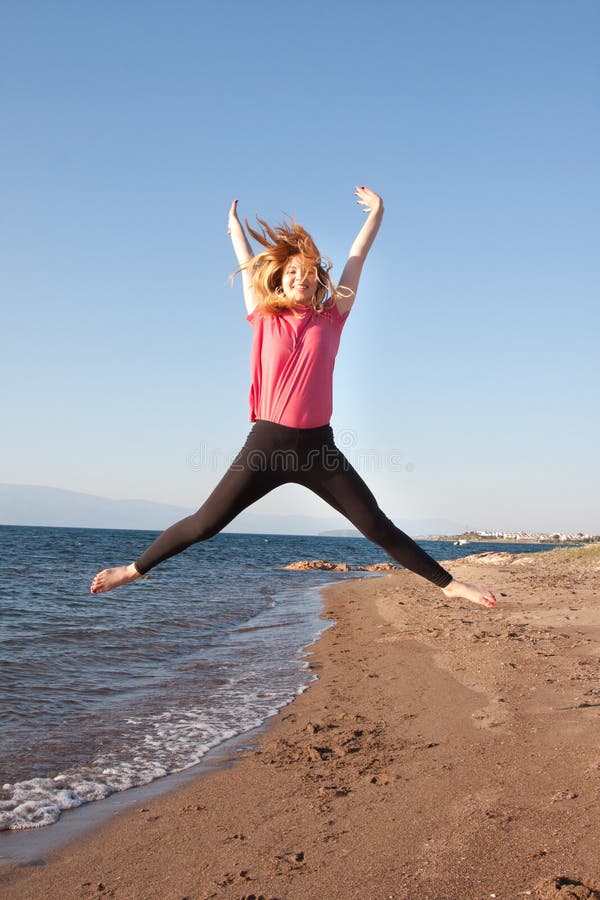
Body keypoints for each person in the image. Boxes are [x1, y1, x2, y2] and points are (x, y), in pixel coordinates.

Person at [90, 186, 496, 609]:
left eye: (308, 272)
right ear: (280, 282)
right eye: (292, 273)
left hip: (319, 448)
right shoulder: (264, 317)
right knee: (204, 524)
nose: (301, 277)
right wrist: (234, 229)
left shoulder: (333, 316)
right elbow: (247, 270)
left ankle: (450, 584)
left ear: (318, 278)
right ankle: (131, 571)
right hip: (266, 446)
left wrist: (376, 213)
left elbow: (357, 258)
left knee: (375, 524)